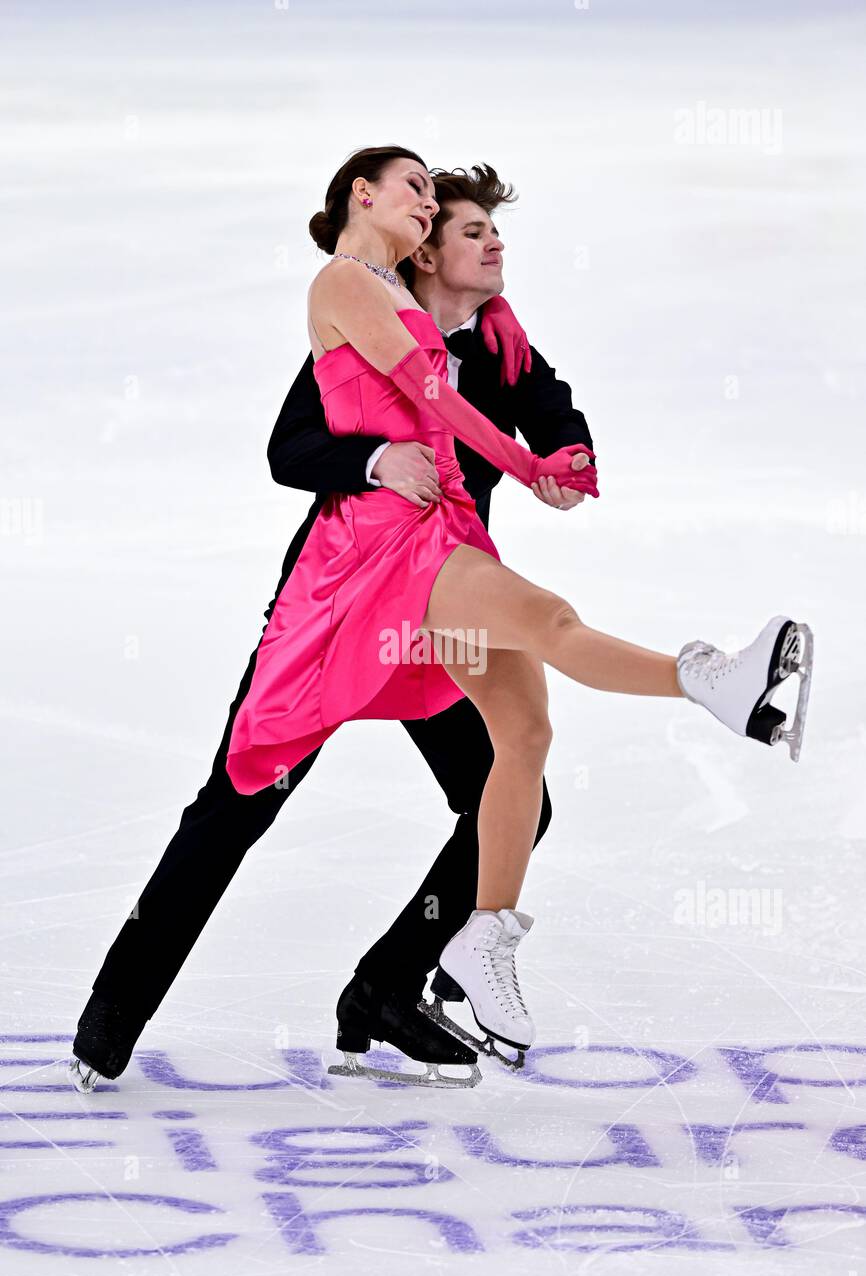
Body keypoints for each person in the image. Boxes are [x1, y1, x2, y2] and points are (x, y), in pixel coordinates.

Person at [221, 146, 814, 1082]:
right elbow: (424, 402)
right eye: (430, 203)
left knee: (524, 733)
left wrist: (555, 448)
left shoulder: (455, 316)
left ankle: (482, 937)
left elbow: (523, 389)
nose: (448, 219)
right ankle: (713, 682)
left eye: (443, 204)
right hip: (391, 548)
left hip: (444, 533)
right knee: (552, 621)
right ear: (368, 201)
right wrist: (526, 468)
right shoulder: (346, 283)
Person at [68, 151, 598, 1093]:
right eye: (464, 228)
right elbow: (290, 446)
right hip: (345, 601)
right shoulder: (366, 323)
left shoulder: (496, 345)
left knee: (513, 800)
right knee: (240, 800)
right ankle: (110, 1021)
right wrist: (373, 459)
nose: (490, 247)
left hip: (441, 613)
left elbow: (549, 404)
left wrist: (564, 454)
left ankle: (386, 994)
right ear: (424, 251)